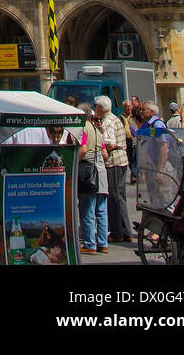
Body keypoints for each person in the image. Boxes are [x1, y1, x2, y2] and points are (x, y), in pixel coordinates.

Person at [92, 96, 132, 244]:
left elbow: (110, 143)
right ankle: (125, 230)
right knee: (119, 197)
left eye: (96, 106)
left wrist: (101, 149)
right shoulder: (113, 118)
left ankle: (117, 232)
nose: (95, 108)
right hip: (120, 160)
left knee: (115, 198)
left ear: (101, 108)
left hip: (114, 161)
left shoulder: (108, 120)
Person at [79, 105, 109, 255]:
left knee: (87, 209)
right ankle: (103, 243)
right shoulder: (97, 130)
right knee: (101, 210)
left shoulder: (83, 128)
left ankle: (90, 244)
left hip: (88, 172)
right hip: (101, 171)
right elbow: (105, 154)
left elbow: (83, 149)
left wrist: (75, 162)